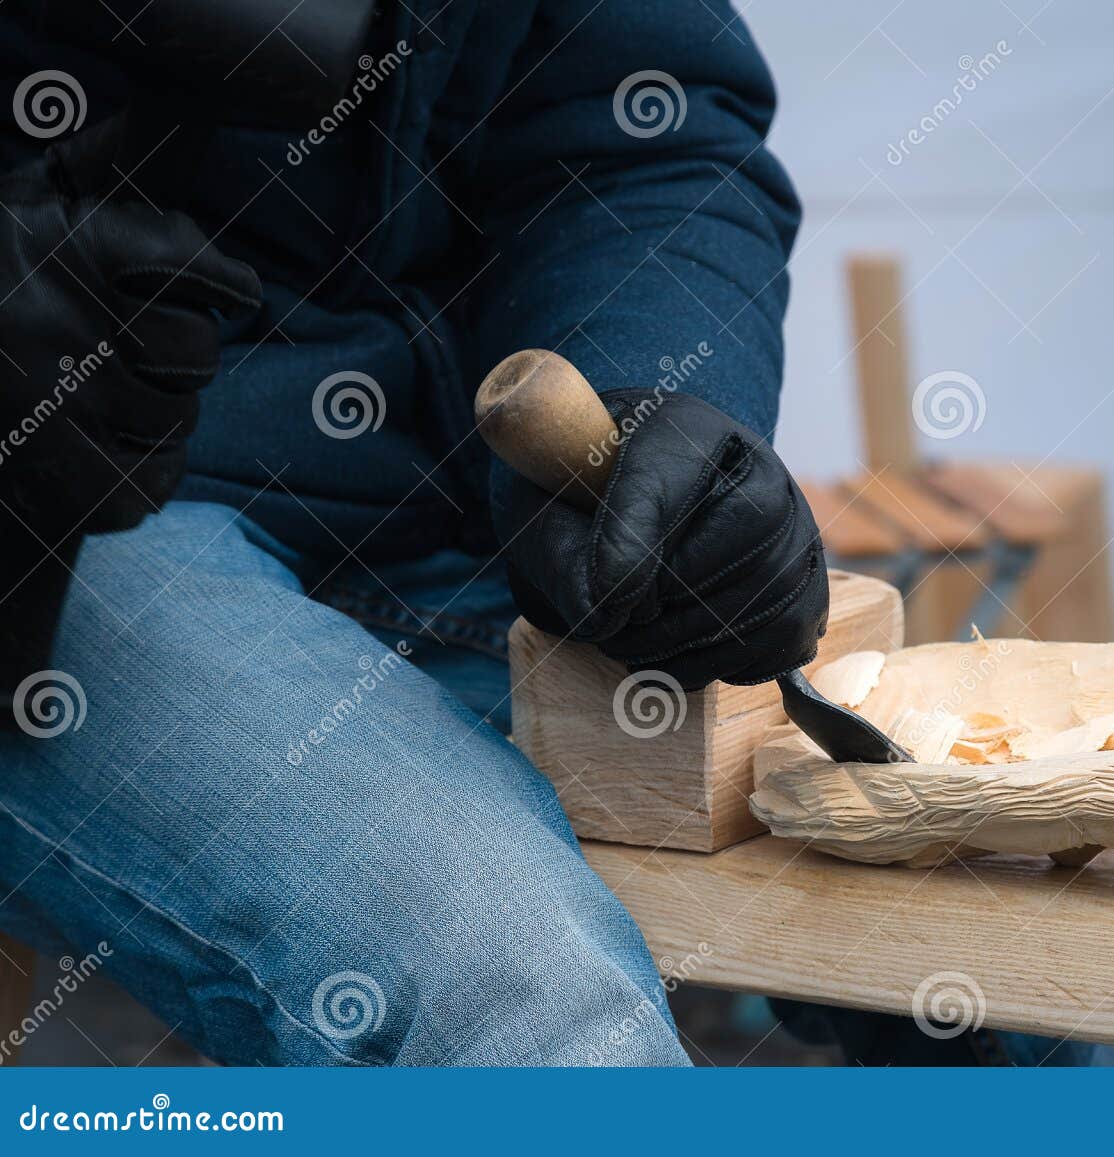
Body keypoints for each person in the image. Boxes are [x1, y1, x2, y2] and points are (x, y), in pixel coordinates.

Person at [0, 0, 822, 1065]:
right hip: (70, 527)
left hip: (491, 509)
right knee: (522, 996)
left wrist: (647, 393)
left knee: (984, 905)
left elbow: (641, 138)